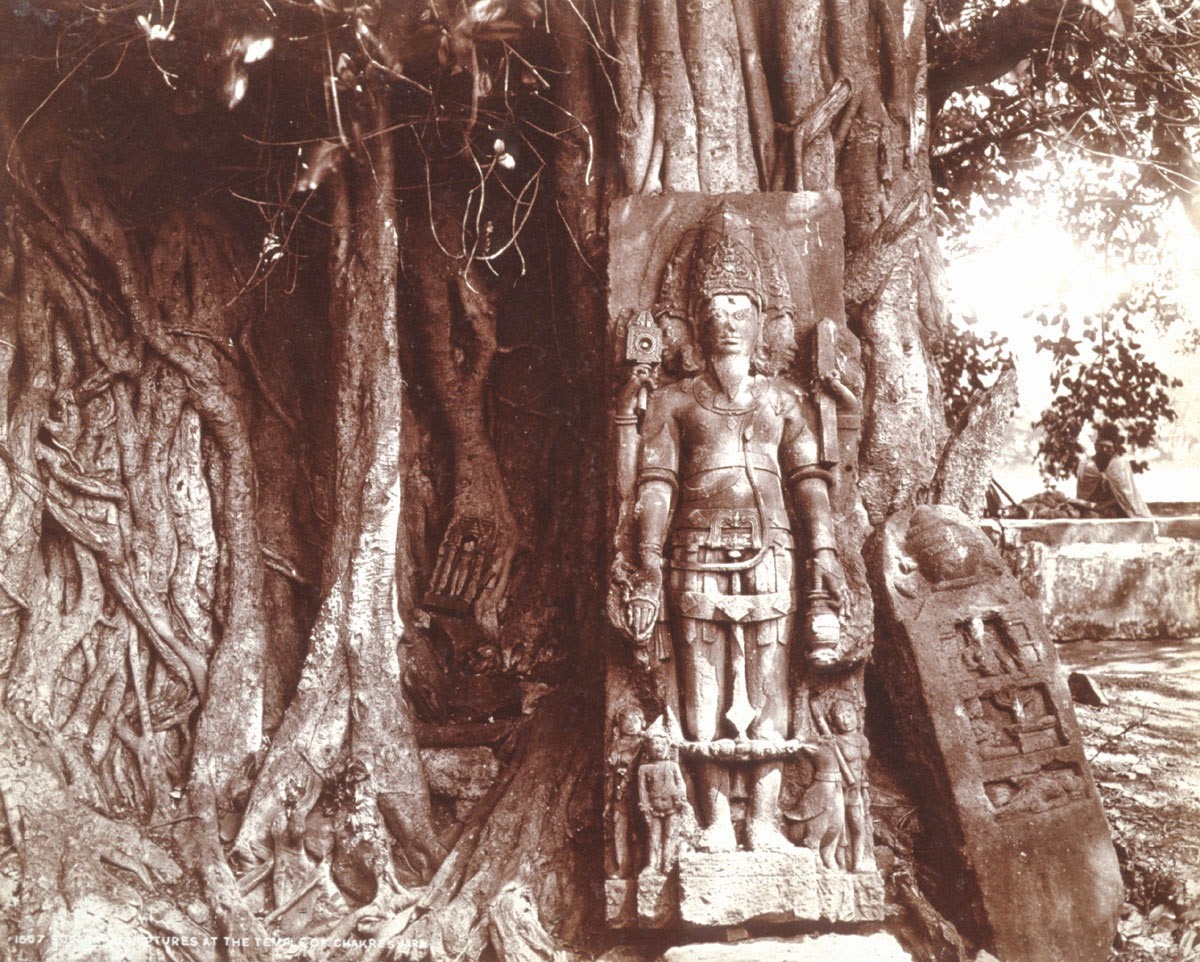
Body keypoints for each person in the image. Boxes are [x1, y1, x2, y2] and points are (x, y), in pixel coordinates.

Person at [619, 205, 844, 853]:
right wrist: (647, 556)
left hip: (775, 546)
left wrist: (824, 549)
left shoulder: (783, 401)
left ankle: (767, 821)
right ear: (693, 318)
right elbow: (655, 481)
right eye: (713, 305)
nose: (725, 316)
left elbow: (809, 479)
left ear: (762, 317)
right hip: (693, 546)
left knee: (771, 676)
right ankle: (716, 820)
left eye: (739, 304)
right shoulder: (673, 400)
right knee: (703, 680)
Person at [1075, 424, 1151, 518]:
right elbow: (1083, 495)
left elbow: (1124, 497)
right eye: (1101, 446)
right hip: (1092, 507)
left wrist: (1102, 506)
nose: (1104, 450)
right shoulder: (1087, 466)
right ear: (1095, 446)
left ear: (1114, 448)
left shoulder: (1119, 465)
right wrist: (1092, 506)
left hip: (1117, 509)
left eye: (1109, 447)